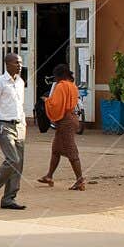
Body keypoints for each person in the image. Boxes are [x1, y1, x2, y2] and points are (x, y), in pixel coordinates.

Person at [0, 52, 28, 209]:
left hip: (19, 125)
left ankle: (9, 198)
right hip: (3, 125)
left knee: (19, 163)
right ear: (7, 64)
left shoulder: (20, 82)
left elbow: (20, 105)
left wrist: (23, 123)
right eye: (17, 63)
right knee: (12, 159)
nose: (20, 66)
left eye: (21, 63)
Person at [38, 63, 86, 191]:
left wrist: (46, 101)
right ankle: (49, 176)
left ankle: (80, 180)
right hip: (72, 118)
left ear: (59, 76)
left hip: (66, 122)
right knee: (56, 149)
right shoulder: (72, 86)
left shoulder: (61, 87)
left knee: (71, 151)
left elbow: (56, 104)